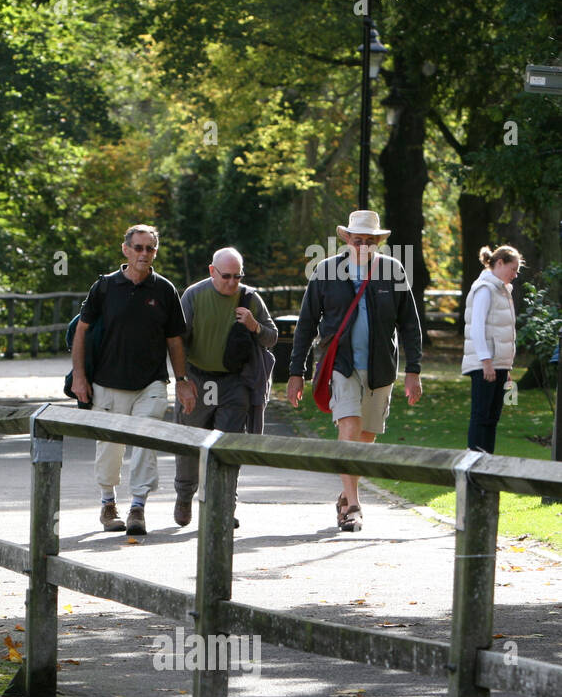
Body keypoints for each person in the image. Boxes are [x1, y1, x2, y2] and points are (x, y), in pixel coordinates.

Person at [287, 210, 423, 532]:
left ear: (378, 242)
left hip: (380, 368)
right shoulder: (326, 271)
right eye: (357, 239)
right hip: (341, 365)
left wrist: (414, 370)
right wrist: (296, 372)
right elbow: (305, 326)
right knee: (348, 427)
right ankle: (353, 505)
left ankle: (345, 492)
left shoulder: (392, 270)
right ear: (347, 239)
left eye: (369, 241)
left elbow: (409, 323)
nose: (363, 245)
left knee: (366, 439)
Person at [71, 224, 197, 535]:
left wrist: (181, 380)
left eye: (150, 248)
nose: (144, 254)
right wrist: (79, 376)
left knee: (145, 442)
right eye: (138, 247)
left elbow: (175, 340)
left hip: (151, 384)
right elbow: (82, 331)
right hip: (107, 382)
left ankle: (138, 507)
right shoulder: (104, 287)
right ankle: (108, 503)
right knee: (109, 446)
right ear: (126, 249)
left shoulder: (165, 290)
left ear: (155, 252)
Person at [173, 247, 277, 527]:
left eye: (237, 276)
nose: (232, 283)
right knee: (190, 442)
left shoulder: (251, 298)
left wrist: (255, 326)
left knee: (227, 447)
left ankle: (225, 506)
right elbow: (177, 340)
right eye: (226, 276)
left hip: (234, 383)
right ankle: (184, 495)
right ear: (212, 271)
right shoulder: (194, 295)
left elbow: (272, 338)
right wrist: (181, 380)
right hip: (197, 378)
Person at [463, 244, 522, 453]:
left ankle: (487, 465)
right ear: (499, 263)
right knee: (481, 415)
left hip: (499, 365)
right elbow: (477, 327)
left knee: (492, 418)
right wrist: (486, 361)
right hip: (485, 365)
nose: (515, 275)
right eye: (512, 269)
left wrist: (506, 368)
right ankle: (474, 467)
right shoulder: (485, 289)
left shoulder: (502, 291)